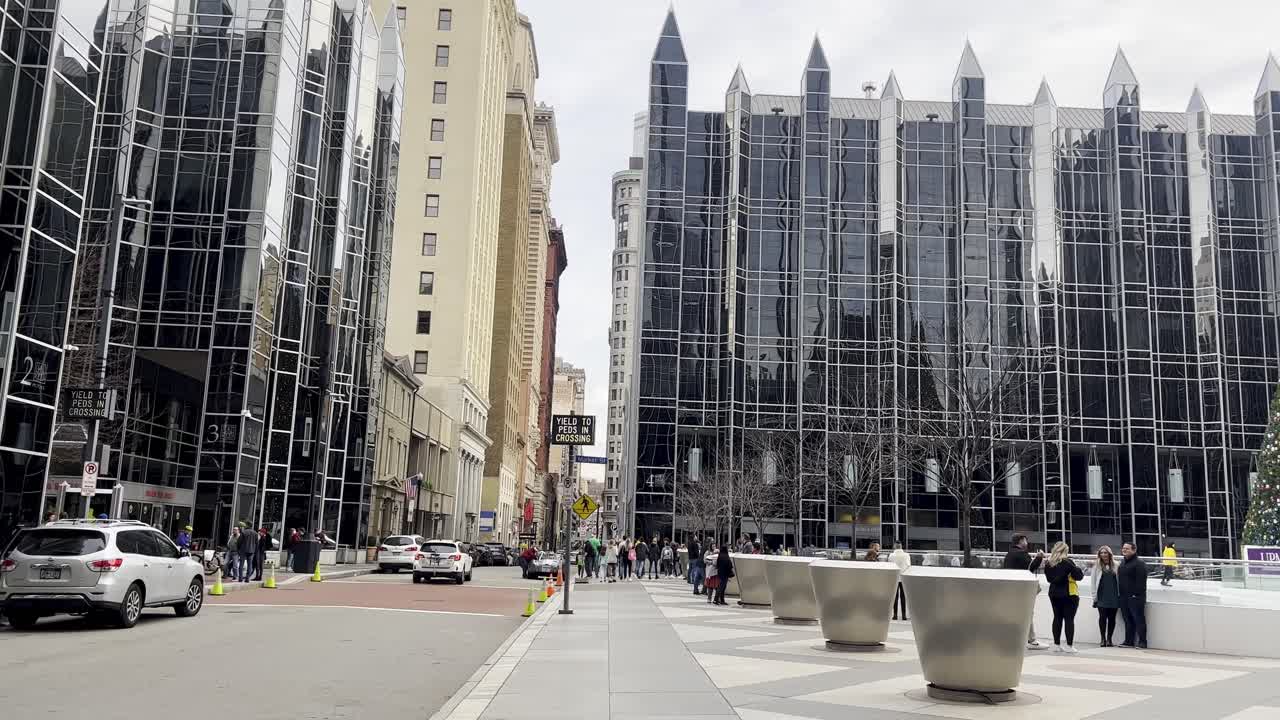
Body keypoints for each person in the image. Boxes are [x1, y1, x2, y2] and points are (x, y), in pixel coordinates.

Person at [1003, 534, 1045, 649]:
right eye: (1025, 540)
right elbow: (1030, 568)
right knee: (1028, 613)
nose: (1027, 542)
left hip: (1011, 588)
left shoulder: (1009, 554)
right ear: (1021, 541)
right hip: (1023, 588)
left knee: (1016, 613)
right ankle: (1032, 641)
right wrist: (1039, 557)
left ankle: (1016, 638)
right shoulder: (1021, 554)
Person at [1043, 541, 1084, 653]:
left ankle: (1056, 645)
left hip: (1053, 593)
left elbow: (1049, 579)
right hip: (1068, 593)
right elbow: (1079, 576)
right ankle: (1069, 646)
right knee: (1069, 619)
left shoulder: (1049, 563)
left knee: (1057, 618)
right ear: (1065, 551)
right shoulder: (1067, 562)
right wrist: (1076, 568)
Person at [1118, 541, 1148, 649]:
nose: (1124, 550)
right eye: (1123, 548)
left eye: (1127, 548)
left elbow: (1141, 582)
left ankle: (1142, 642)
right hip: (1123, 597)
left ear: (1134, 550)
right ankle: (1128, 641)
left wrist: (1136, 595)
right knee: (1127, 620)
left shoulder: (1139, 563)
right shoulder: (1123, 562)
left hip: (1135, 597)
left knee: (1139, 619)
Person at [1091, 545, 1121, 647]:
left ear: (1109, 554)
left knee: (1112, 618)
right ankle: (1102, 639)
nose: (1104, 554)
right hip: (1101, 596)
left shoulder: (1116, 565)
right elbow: (1093, 582)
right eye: (1102, 553)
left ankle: (1109, 639)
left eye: (1105, 552)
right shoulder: (1096, 566)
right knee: (1102, 618)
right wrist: (1094, 596)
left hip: (1114, 596)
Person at [890, 543, 911, 621]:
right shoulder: (907, 555)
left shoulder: (891, 555)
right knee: (903, 597)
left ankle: (895, 615)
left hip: (894, 577)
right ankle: (904, 615)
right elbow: (908, 565)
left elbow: (890, 565)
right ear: (901, 546)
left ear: (894, 546)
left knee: (895, 597)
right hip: (903, 577)